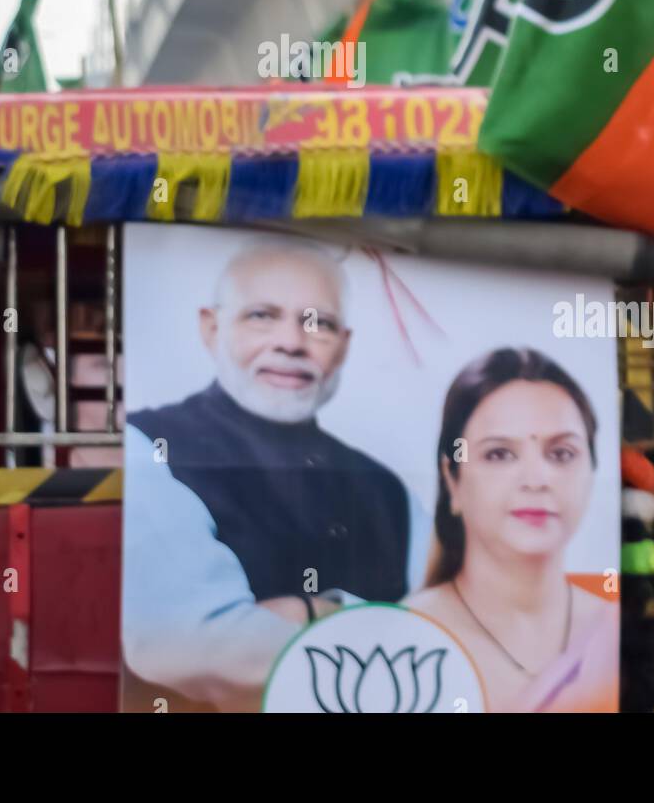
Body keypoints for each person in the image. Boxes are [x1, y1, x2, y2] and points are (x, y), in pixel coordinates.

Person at [122, 239, 428, 709]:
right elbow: (187, 647)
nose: (291, 342)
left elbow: (455, 638)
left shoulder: (390, 490)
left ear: (344, 347)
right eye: (261, 316)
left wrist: (307, 614)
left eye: (318, 323)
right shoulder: (147, 446)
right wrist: (361, 621)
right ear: (211, 327)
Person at [406, 347, 619, 712]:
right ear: (452, 480)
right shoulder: (405, 639)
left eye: (561, 453)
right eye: (499, 454)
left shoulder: (616, 630)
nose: (536, 480)